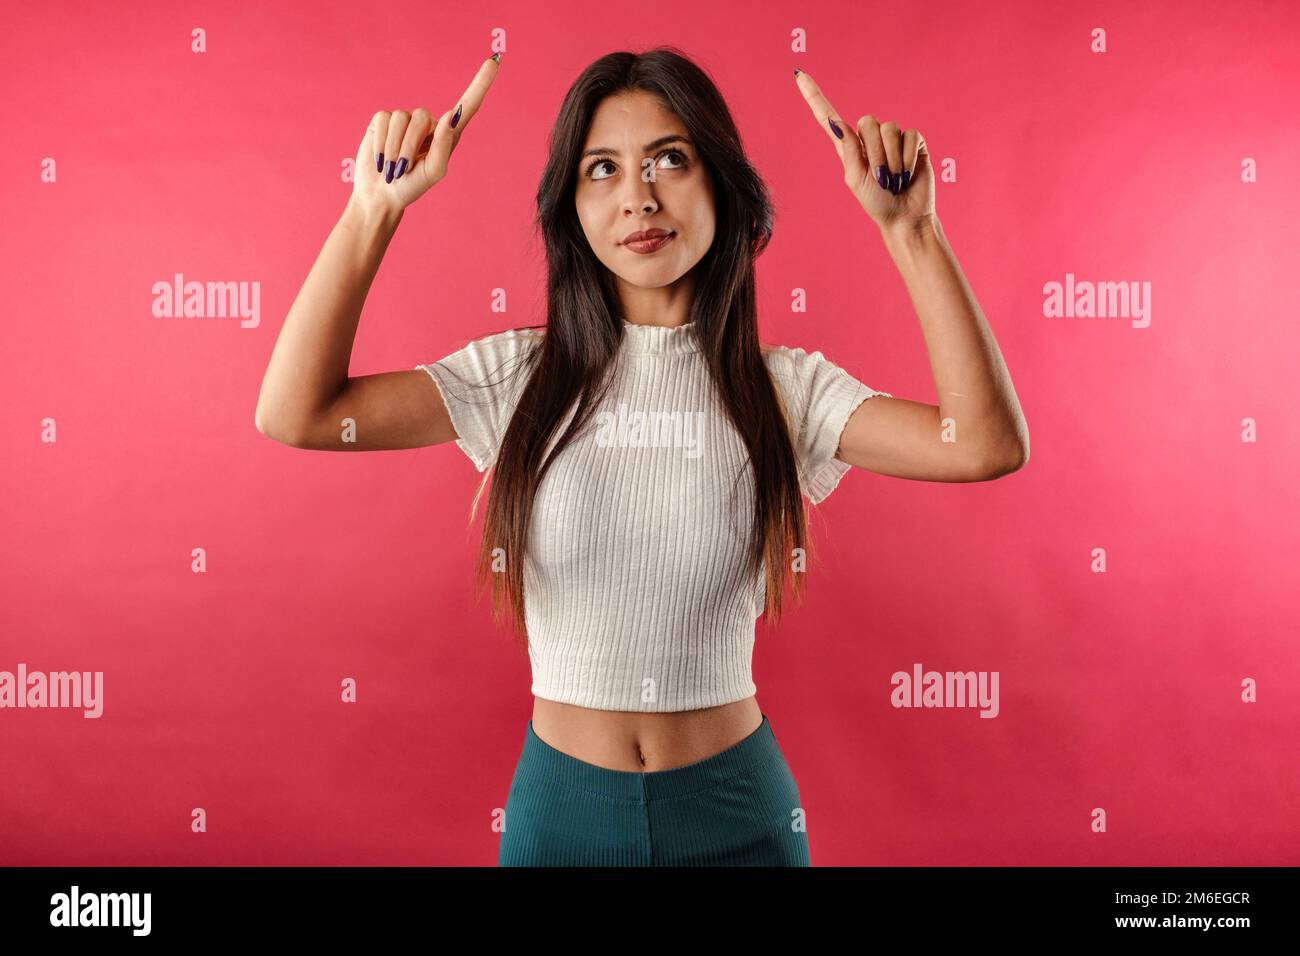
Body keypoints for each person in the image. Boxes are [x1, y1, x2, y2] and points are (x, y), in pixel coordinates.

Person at [254, 47, 1029, 867]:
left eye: (671, 159)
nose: (639, 197)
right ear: (571, 207)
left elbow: (982, 445)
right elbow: (299, 413)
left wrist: (913, 231)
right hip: (561, 819)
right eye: (603, 169)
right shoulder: (519, 376)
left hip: (739, 816)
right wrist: (373, 207)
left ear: (721, 183)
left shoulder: (785, 390)